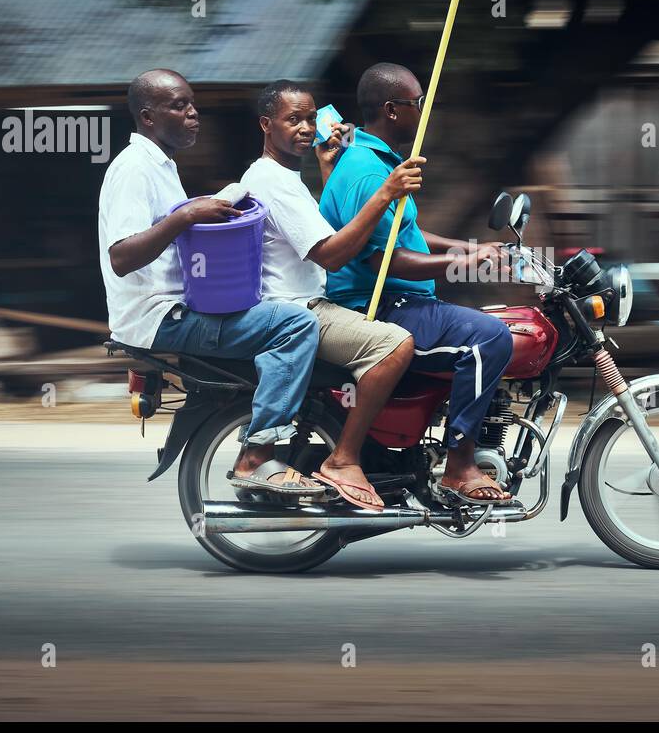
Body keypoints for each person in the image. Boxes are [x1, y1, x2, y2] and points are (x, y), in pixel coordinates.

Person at [98, 69, 323, 494]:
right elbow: (122, 256)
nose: (193, 113)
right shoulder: (134, 169)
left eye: (192, 104)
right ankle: (256, 454)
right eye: (178, 106)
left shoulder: (161, 166)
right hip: (161, 317)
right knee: (296, 324)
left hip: (177, 307)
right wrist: (187, 215)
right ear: (148, 117)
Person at [319, 63, 514, 504]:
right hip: (380, 304)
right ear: (391, 110)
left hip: (399, 297)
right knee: (490, 338)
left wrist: (467, 249)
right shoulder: (368, 173)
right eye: (417, 103)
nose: (424, 111)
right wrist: (458, 262)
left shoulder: (379, 162)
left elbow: (405, 234)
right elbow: (388, 261)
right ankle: (460, 465)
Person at [240, 80, 425, 511]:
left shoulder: (284, 176)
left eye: (310, 118)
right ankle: (344, 459)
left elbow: (322, 232)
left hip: (308, 301)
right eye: (292, 120)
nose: (306, 128)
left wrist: (326, 172)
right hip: (298, 310)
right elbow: (333, 255)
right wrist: (385, 193)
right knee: (394, 344)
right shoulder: (273, 181)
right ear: (266, 125)